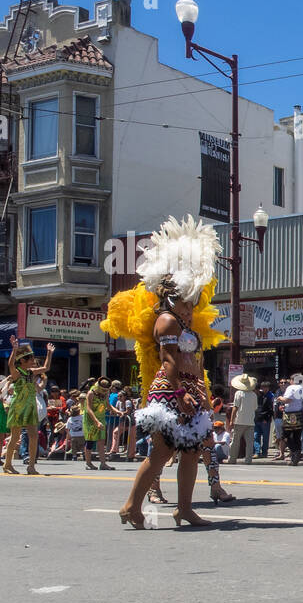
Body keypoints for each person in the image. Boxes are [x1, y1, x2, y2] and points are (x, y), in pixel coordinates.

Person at [103, 215, 225, 529]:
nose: (189, 308)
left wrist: (201, 394)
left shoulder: (184, 323)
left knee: (191, 451)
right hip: (170, 391)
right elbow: (169, 361)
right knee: (162, 451)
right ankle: (131, 505)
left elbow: (194, 364)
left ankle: (184, 508)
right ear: (170, 298)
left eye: (191, 303)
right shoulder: (167, 322)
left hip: (187, 391)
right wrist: (182, 393)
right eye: (184, 303)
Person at [1, 338, 55, 475]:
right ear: (23, 361)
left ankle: (31, 466)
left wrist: (49, 353)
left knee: (34, 436)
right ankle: (7, 465)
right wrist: (14, 350)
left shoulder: (31, 372)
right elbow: (11, 364)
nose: (33, 361)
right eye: (30, 359)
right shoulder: (17, 373)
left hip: (30, 407)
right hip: (18, 407)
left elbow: (46, 368)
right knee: (15, 437)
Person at [83, 378, 114, 471]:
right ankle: (88, 463)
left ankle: (103, 463)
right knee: (90, 442)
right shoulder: (91, 393)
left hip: (101, 419)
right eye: (103, 390)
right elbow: (88, 409)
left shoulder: (105, 394)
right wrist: (96, 421)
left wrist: (118, 411)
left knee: (101, 441)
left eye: (106, 390)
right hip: (90, 420)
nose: (105, 392)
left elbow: (108, 405)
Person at [227, 374, 258, 464]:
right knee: (249, 443)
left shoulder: (239, 393)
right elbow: (255, 408)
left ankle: (232, 459)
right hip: (250, 421)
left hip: (239, 420)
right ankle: (248, 460)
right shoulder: (254, 395)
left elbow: (235, 407)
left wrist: (232, 420)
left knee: (235, 441)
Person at [206, 421, 236, 503]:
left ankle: (215, 489)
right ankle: (217, 490)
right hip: (194, 426)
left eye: (217, 428)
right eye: (214, 428)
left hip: (219, 451)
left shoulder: (225, 434)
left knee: (212, 463)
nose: (215, 429)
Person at [253, 381, 273, 458]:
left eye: (266, 387)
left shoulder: (269, 396)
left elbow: (270, 409)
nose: (264, 389)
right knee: (256, 436)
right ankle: (257, 452)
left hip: (265, 420)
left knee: (265, 437)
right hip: (257, 418)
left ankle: (264, 452)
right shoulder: (257, 396)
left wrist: (267, 418)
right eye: (263, 387)